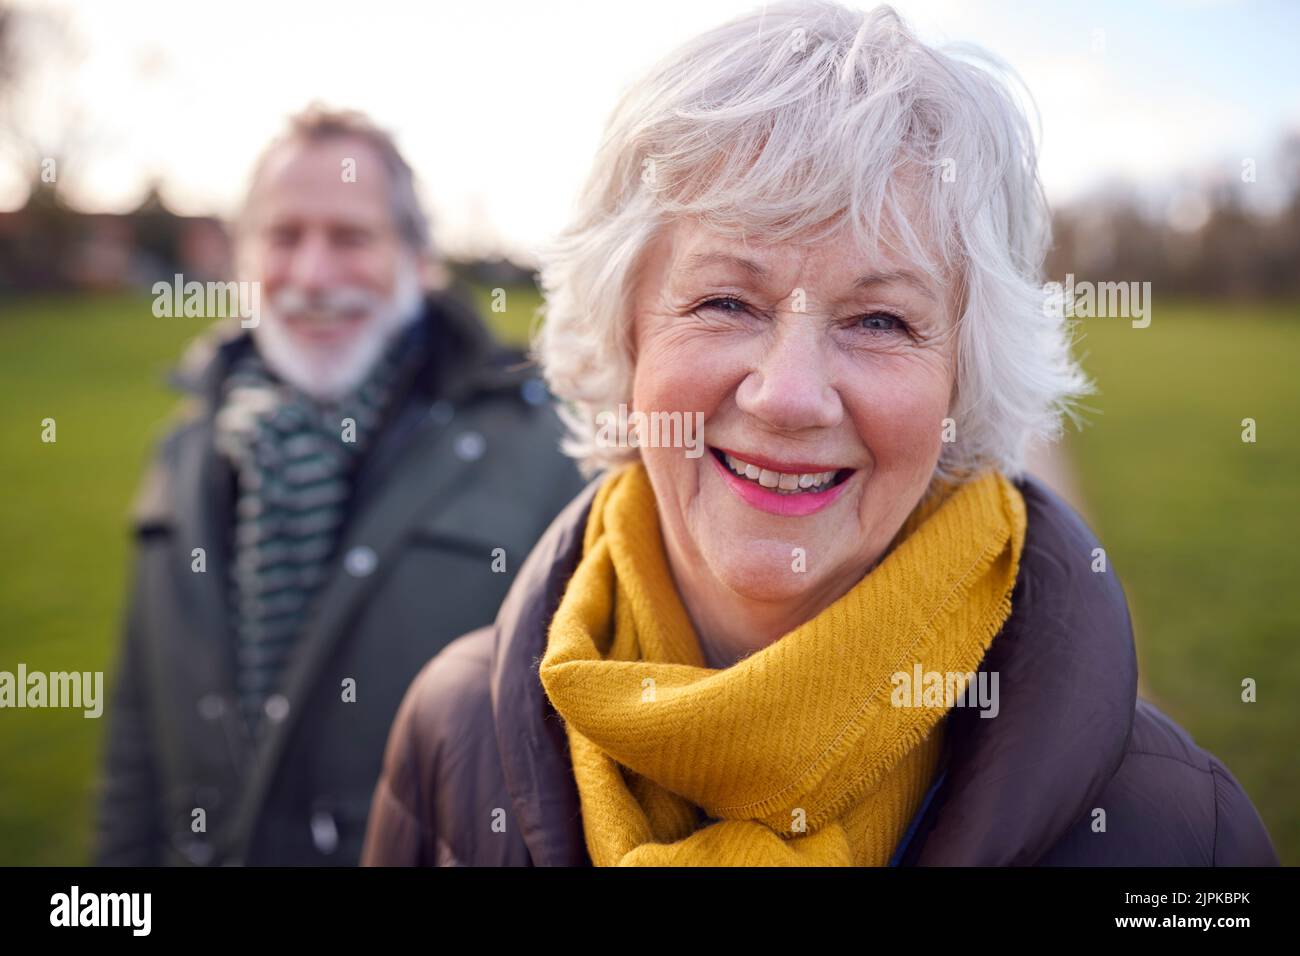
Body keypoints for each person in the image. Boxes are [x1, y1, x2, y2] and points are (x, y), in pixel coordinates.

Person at [361, 2, 1279, 866]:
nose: (789, 396)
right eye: (725, 301)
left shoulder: (1176, 833)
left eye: (879, 321)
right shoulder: (450, 735)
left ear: (968, 371)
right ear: (624, 334)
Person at [94, 107, 585, 866]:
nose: (313, 276)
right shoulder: (184, 452)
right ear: (242, 262)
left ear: (420, 263)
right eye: (284, 238)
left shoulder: (549, 452)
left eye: (351, 238)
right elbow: (135, 748)